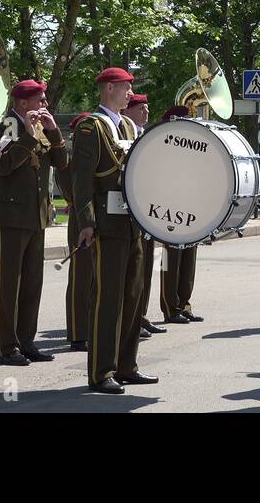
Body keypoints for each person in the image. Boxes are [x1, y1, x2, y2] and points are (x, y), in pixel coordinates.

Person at [72, 67, 158, 394]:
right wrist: (87, 222)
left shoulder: (126, 125)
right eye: (126, 88)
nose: (129, 93)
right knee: (108, 298)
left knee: (133, 297)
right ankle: (100, 371)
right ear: (109, 88)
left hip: (132, 221)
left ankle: (126, 365)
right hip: (106, 224)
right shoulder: (90, 127)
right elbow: (82, 181)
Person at [0, 79, 68, 366]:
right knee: (10, 284)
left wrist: (53, 131)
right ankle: (6, 347)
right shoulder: (1, 126)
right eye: (40, 100)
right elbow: (1, 166)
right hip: (10, 216)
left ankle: (26, 341)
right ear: (23, 103)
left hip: (36, 215)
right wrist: (30, 135)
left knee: (33, 282)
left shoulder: (43, 126)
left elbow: (61, 162)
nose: (45, 105)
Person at [122, 92, 167, 339]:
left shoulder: (148, 137)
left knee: (146, 268)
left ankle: (141, 314)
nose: (146, 113)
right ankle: (132, 318)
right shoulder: (123, 133)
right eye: (141, 109)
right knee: (133, 273)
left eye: (147, 109)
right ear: (127, 111)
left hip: (149, 212)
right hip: (132, 213)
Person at [157, 105, 203, 325]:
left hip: (189, 208)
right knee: (169, 261)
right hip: (168, 213)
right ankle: (169, 306)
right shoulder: (161, 147)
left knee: (188, 260)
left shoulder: (192, 148)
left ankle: (184, 304)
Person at [57, 112, 92, 351]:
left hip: (94, 219)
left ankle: (89, 328)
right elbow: (72, 191)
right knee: (81, 279)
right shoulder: (69, 160)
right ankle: (78, 332)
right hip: (81, 221)